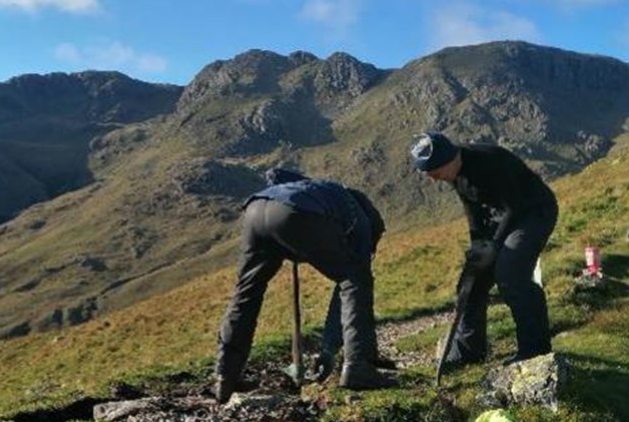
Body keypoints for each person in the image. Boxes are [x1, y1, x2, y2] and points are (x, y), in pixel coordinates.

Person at [214, 168, 395, 404]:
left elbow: (277, 174)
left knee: (246, 293)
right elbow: (350, 286)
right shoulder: (363, 223)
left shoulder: (325, 192)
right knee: (355, 280)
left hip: (255, 209)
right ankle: (359, 367)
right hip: (295, 212)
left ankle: (225, 376)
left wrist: (330, 348)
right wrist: (331, 349)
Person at [410, 132, 558, 370]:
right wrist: (477, 248)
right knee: (471, 281)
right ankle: (468, 351)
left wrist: (494, 245)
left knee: (510, 272)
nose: (434, 180)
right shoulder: (456, 172)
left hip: (532, 213)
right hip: (499, 218)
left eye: (434, 173)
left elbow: (513, 208)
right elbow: (473, 211)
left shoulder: (490, 161)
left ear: (449, 159)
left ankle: (535, 350)